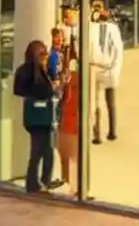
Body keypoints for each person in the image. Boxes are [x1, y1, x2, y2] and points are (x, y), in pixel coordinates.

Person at [14, 39, 58, 193]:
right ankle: (36, 183)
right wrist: (55, 86)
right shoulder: (36, 72)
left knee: (43, 151)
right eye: (43, 54)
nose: (45, 57)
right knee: (42, 151)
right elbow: (46, 91)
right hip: (41, 117)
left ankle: (38, 182)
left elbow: (19, 90)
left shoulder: (23, 70)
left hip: (32, 117)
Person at [89, 10, 123, 144]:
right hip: (110, 67)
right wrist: (116, 67)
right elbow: (118, 49)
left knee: (96, 102)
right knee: (111, 102)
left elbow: (88, 47)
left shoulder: (91, 28)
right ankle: (112, 131)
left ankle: (97, 134)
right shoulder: (114, 29)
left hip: (95, 66)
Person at [54, 45, 79, 192]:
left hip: (71, 121)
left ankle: (73, 185)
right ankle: (67, 182)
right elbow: (60, 96)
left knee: (72, 157)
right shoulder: (67, 80)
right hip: (65, 121)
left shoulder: (76, 79)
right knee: (66, 156)